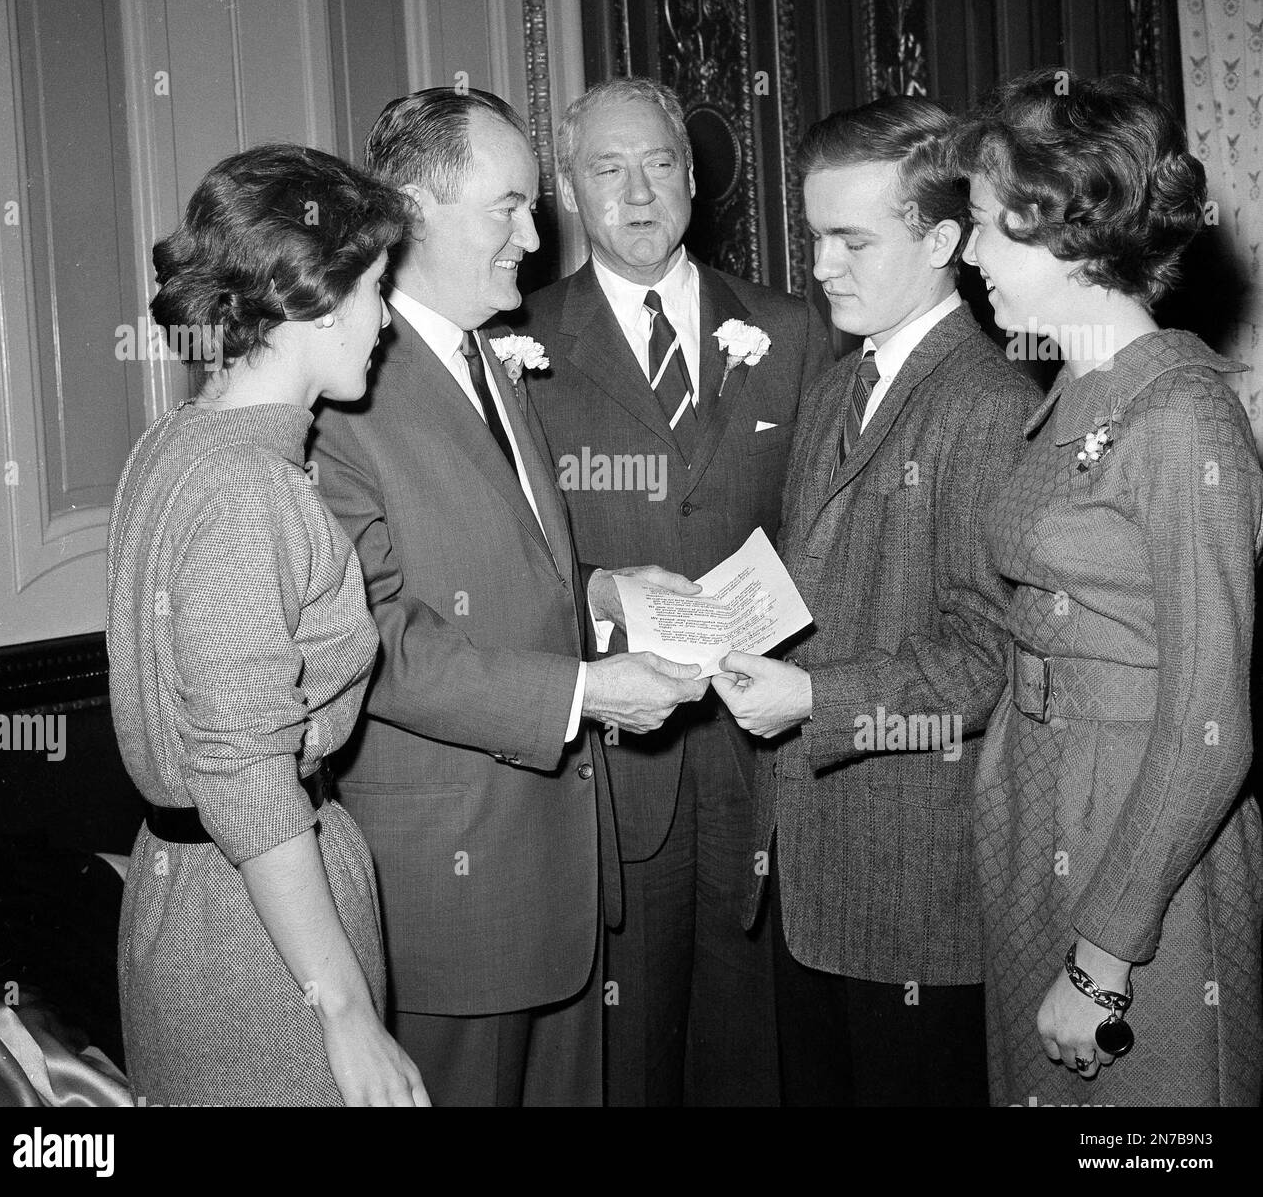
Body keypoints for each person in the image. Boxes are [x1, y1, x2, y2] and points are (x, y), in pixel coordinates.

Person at [311, 87, 707, 1108]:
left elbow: (505, 579)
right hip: (448, 899)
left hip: (556, 879)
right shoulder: (340, 390)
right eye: (508, 208)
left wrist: (603, 586)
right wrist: (585, 695)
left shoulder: (485, 357)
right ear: (406, 208)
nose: (534, 240)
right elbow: (375, 640)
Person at [712, 96, 1041, 1106]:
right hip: (813, 877)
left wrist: (813, 702)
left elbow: (990, 659)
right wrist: (702, 615)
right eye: (814, 235)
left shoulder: (987, 405)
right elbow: (823, 576)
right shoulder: (836, 384)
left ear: (943, 238)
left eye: (850, 238)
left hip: (918, 899)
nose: (818, 265)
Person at [954, 69, 1263, 1107]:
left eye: (987, 226)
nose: (966, 251)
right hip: (1038, 807)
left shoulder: (1182, 418)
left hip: (1140, 848)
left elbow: (1208, 719)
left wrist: (1103, 957)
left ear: (1069, 235)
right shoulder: (1072, 392)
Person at [519, 77, 828, 1106]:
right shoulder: (515, 346)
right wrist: (599, 597)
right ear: (570, 191)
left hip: (768, 757)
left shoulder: (790, 328)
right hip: (611, 766)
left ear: (692, 178)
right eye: (607, 170)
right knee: (628, 1062)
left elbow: (830, 526)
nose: (638, 192)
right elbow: (502, 566)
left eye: (658, 163)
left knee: (760, 1060)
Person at [107, 143, 428, 1106]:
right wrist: (344, 1011)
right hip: (264, 936)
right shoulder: (248, 490)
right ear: (314, 301)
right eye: (375, 286)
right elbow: (246, 773)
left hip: (189, 893)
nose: (385, 316)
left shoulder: (176, 444)